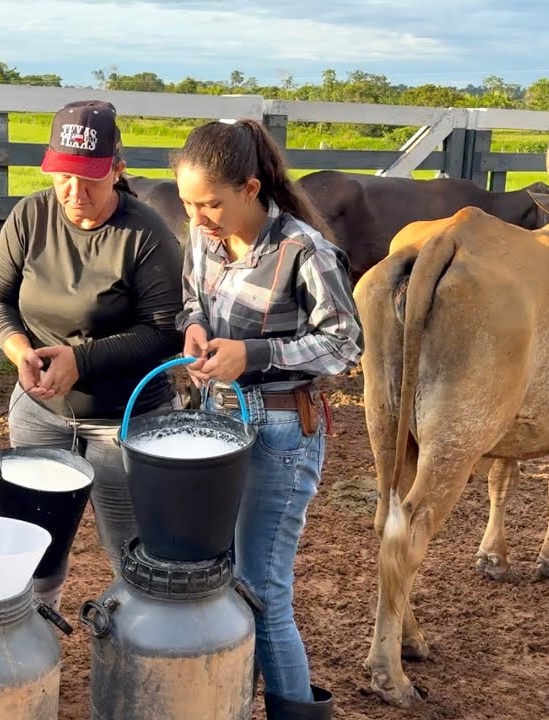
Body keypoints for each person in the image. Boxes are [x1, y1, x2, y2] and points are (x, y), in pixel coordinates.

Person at [171, 119, 363, 720]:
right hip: (217, 421)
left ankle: (293, 709)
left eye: (211, 204)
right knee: (221, 571)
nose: (198, 217)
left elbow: (344, 344)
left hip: (280, 431)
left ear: (251, 189)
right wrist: (194, 330)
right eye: (188, 203)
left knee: (261, 586)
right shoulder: (204, 238)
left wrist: (254, 354)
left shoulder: (302, 249)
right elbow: (191, 300)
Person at [0, 100, 184, 609]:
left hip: (125, 417)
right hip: (41, 407)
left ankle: (136, 643)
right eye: (63, 177)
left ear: (117, 169)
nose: (75, 193)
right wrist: (18, 348)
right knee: (34, 543)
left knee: (130, 547)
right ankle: (35, 631)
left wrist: (80, 361)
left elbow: (164, 333)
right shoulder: (30, 216)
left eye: (90, 178)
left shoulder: (146, 234)